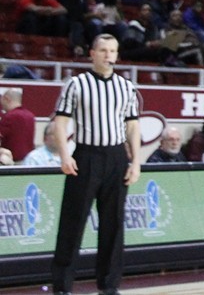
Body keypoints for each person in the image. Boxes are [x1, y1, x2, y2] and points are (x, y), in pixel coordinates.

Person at [50, 34, 141, 295]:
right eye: (103, 50)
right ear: (92, 53)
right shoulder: (76, 84)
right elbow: (61, 122)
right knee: (73, 221)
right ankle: (62, 286)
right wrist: (65, 156)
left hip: (116, 157)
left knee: (113, 224)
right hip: (86, 156)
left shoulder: (126, 87)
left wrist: (135, 162)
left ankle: (109, 285)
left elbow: (133, 126)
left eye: (112, 50)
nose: (108, 55)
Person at [0, 87, 36, 162]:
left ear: (7, 99)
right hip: (29, 159)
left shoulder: (9, 117)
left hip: (12, 160)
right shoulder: (30, 116)